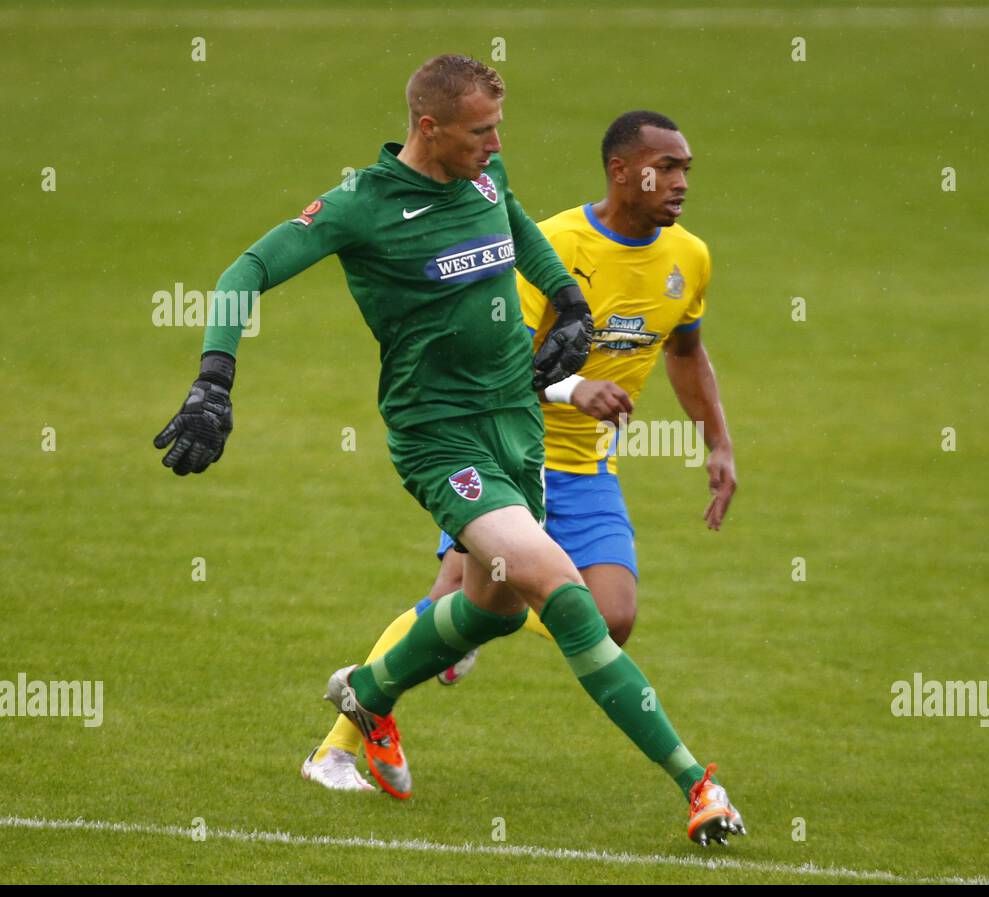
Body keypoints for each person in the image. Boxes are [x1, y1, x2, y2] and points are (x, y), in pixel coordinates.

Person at [154, 56, 743, 846]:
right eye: (480, 131)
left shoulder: (484, 181)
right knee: (561, 590)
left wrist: (567, 300)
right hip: (440, 439)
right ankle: (697, 783)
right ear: (428, 127)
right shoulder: (359, 207)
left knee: (495, 610)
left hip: (516, 432)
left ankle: (369, 691)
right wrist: (214, 379)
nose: (496, 145)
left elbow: (521, 226)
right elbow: (244, 272)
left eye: (499, 128)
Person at [306, 112, 738, 806]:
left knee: (612, 616)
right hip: (508, 449)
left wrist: (716, 440)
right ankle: (336, 747)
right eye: (669, 166)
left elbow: (686, 350)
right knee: (454, 596)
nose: (682, 182)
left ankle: (475, 627)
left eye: (689, 167)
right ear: (621, 171)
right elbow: (499, 357)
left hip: (590, 467)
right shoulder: (554, 243)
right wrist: (573, 386)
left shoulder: (689, 257)